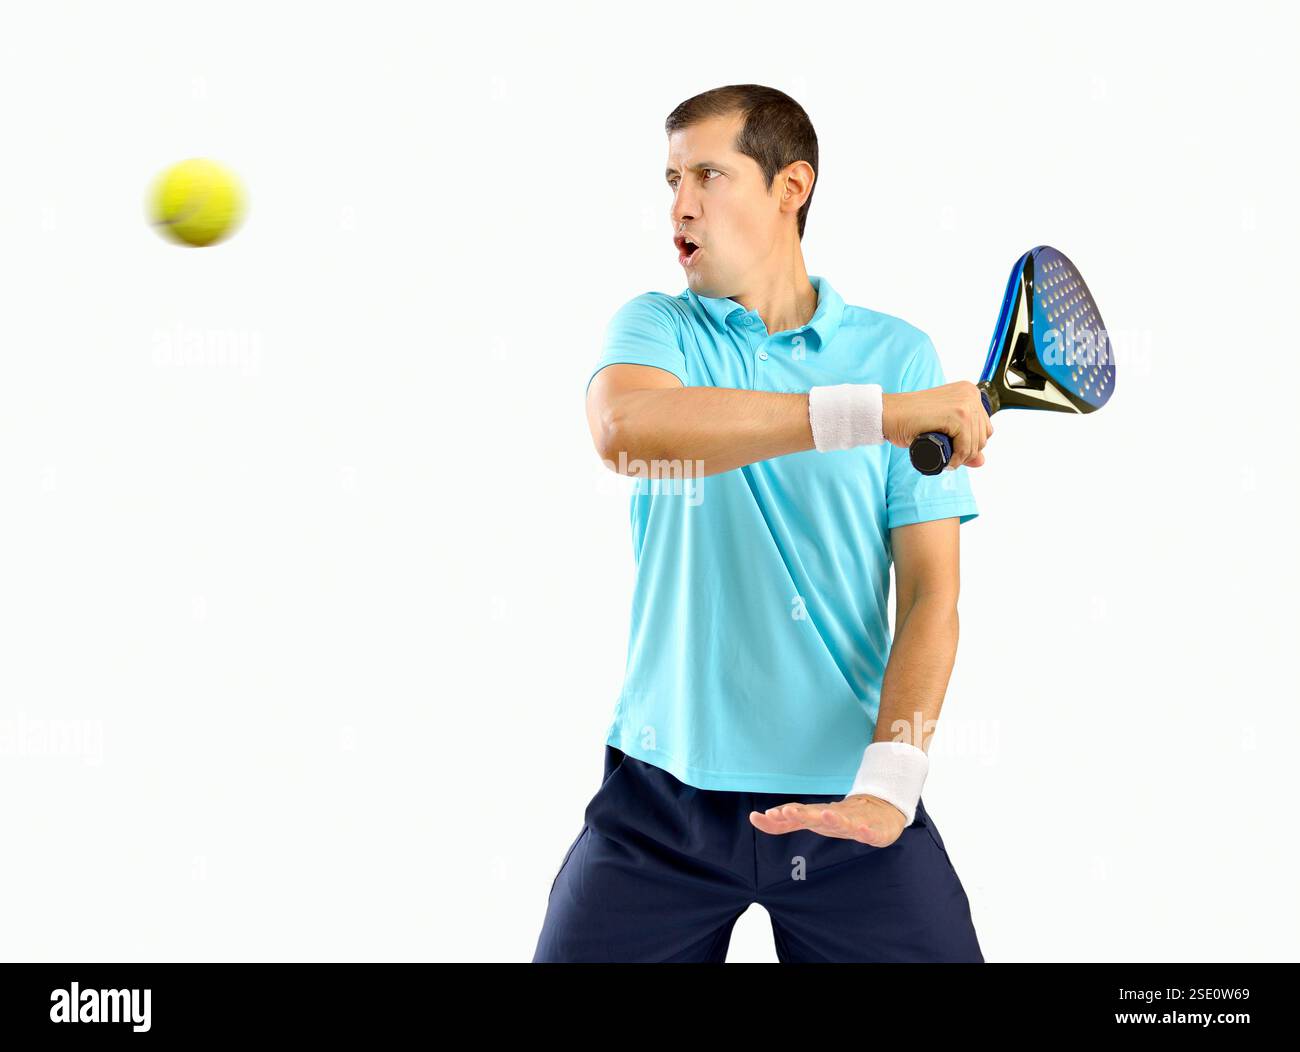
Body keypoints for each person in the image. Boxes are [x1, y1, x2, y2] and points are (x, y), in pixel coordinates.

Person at [533, 84, 991, 963]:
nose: (681, 203)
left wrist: (891, 784)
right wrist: (874, 415)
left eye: (710, 172)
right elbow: (626, 434)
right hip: (658, 802)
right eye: (671, 178)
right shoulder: (657, 329)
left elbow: (933, 597)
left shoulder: (900, 356)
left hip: (846, 804)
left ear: (792, 187)